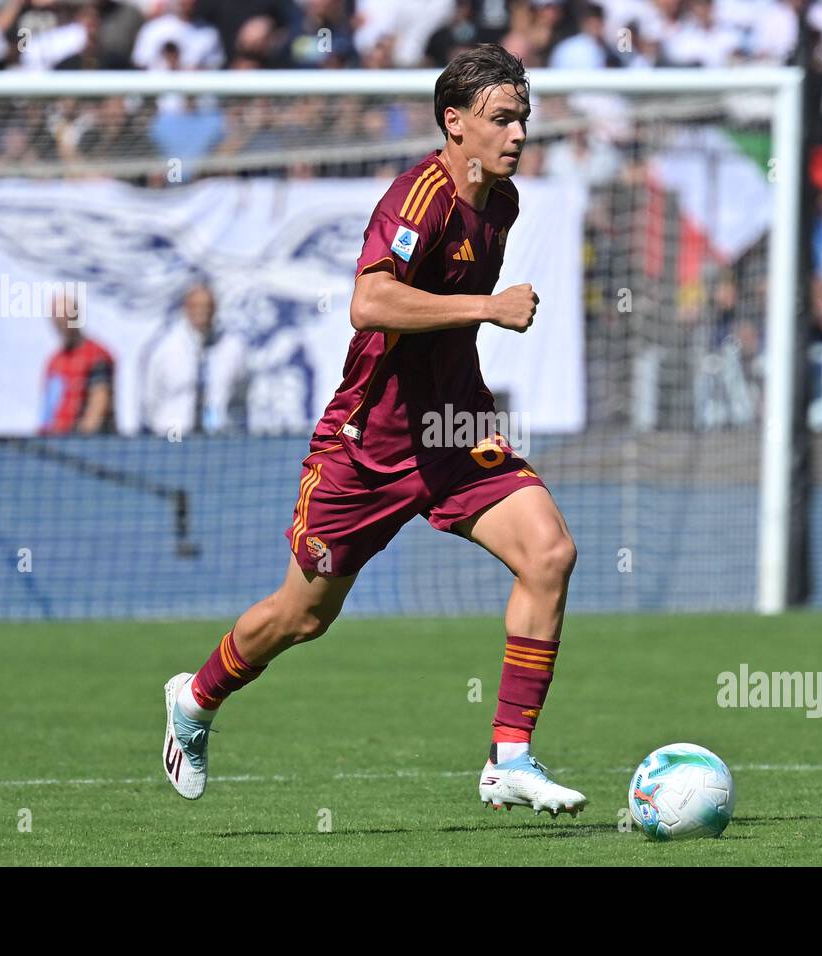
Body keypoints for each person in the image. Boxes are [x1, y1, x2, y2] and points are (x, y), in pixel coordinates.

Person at [161, 44, 586, 817]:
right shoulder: (417, 199)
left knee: (550, 552)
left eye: (523, 117)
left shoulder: (502, 202)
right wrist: (487, 308)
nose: (519, 132)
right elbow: (370, 303)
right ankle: (195, 700)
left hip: (454, 431)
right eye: (502, 118)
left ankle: (509, 759)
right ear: (454, 123)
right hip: (368, 447)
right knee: (302, 617)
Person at [141, 283, 248, 435]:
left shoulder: (232, 348)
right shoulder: (165, 349)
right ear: (186, 308)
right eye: (196, 306)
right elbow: (151, 398)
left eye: (207, 306)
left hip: (217, 435)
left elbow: (242, 391)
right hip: (174, 433)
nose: (202, 311)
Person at [39, 291, 115, 435]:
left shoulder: (96, 356)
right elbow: (49, 409)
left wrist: (80, 439)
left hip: (88, 441)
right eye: (58, 320)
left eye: (66, 319)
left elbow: (99, 403)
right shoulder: (55, 362)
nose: (62, 325)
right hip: (56, 440)